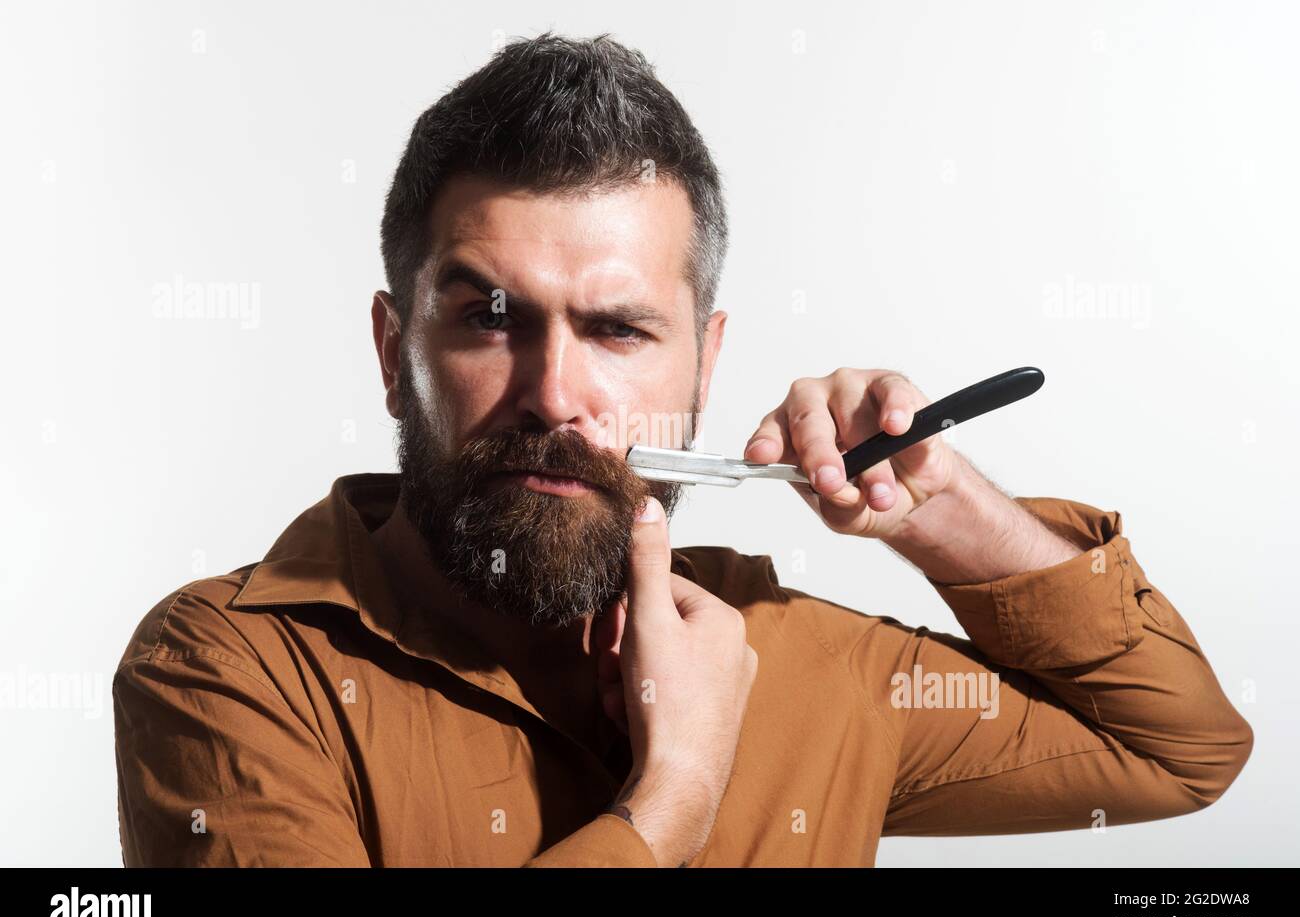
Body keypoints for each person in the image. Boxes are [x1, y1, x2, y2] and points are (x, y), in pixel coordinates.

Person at [113, 32, 1252, 867]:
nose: (555, 397)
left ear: (704, 368)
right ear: (390, 349)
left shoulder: (791, 657)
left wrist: (939, 503)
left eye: (618, 330)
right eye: (490, 319)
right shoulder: (226, 670)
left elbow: (1178, 749)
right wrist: (671, 800)